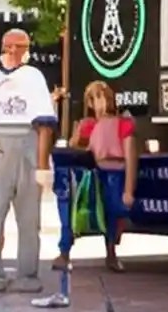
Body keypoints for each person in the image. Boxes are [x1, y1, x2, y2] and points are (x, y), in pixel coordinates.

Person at [0, 29, 58, 292]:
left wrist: (43, 165)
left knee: (29, 214)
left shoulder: (34, 76)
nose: (14, 51)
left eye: (21, 46)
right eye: (10, 46)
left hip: (27, 142)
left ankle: (28, 274)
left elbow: (45, 123)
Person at [53, 81, 137, 273]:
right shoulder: (89, 125)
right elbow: (76, 149)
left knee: (113, 214)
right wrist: (78, 133)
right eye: (95, 98)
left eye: (103, 96)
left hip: (115, 173)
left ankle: (111, 253)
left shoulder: (123, 123)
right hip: (94, 173)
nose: (100, 102)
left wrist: (129, 189)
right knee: (72, 206)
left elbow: (130, 156)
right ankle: (64, 251)